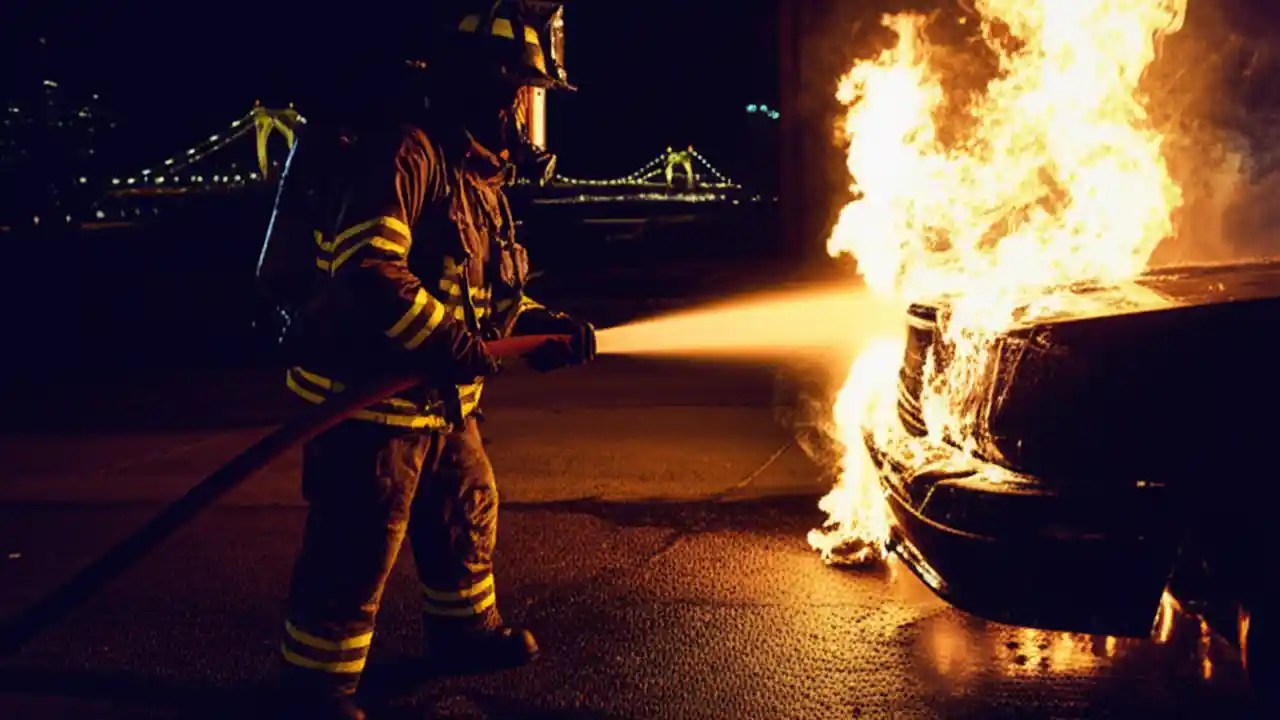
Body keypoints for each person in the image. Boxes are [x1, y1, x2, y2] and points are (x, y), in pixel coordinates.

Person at [254, 3, 594, 718]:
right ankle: (315, 686)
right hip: (370, 401)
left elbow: (477, 298)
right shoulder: (406, 152)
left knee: (464, 511)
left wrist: (541, 331)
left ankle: (465, 633)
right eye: (522, 91)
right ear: (486, 87)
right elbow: (372, 274)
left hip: (440, 400)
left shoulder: (475, 172)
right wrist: (451, 344)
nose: (527, 110)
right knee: (357, 541)